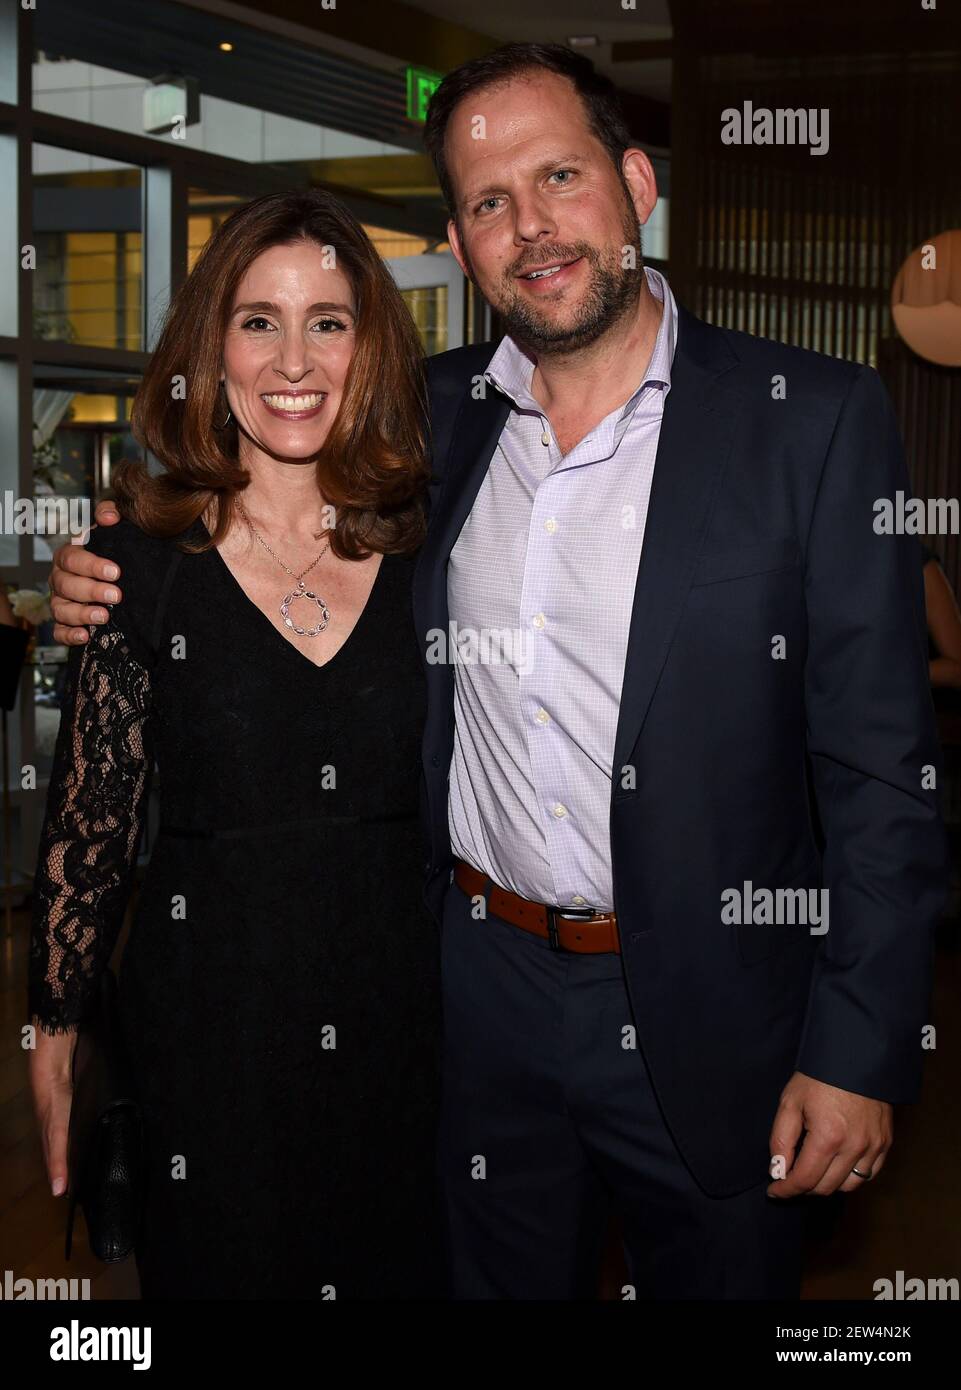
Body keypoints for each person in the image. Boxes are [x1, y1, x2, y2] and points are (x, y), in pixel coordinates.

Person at [50, 43, 948, 1301]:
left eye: (560, 176)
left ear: (635, 184)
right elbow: (253, 453)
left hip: (710, 1006)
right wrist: (103, 562)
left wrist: (858, 1050)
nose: (530, 227)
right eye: (486, 203)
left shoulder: (810, 419)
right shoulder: (431, 419)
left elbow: (882, 777)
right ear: (461, 247)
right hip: (472, 1004)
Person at [30, 189, 444, 1299]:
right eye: (259, 320)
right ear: (211, 351)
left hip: (412, 1030)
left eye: (330, 319)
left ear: (370, 349)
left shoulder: (437, 547)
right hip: (206, 1038)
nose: (292, 357)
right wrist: (55, 1018)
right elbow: (93, 815)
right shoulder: (137, 563)